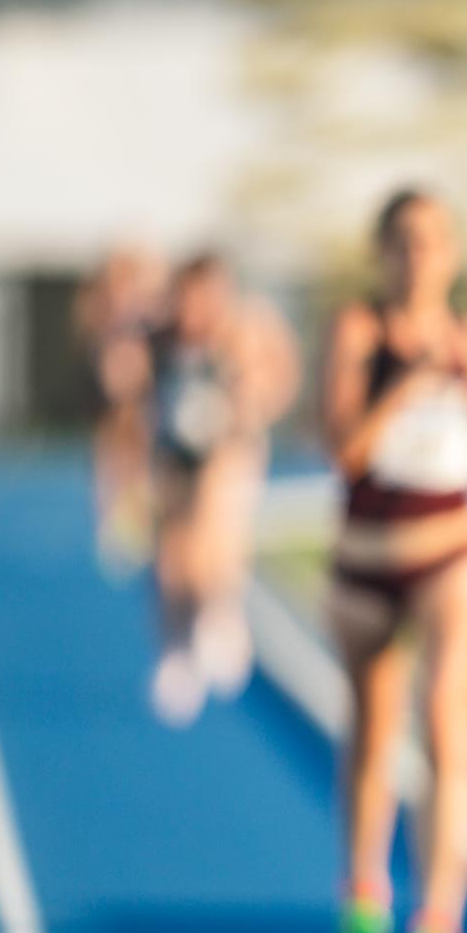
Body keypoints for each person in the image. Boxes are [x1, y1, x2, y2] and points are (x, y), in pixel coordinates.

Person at [325, 188, 467, 933]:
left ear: (452, 252)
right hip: (366, 562)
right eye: (404, 240)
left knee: (445, 720)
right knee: (374, 731)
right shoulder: (359, 330)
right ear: (382, 251)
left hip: (453, 558)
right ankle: (366, 893)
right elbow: (345, 449)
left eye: (434, 240)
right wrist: (405, 382)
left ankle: (440, 917)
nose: (420, 255)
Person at [143, 253, 300, 727]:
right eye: (187, 296)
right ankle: (176, 646)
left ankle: (221, 611)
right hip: (174, 452)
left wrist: (253, 396)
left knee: (215, 533)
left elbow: (281, 375)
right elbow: (134, 392)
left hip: (230, 449)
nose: (195, 308)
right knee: (172, 556)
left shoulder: (240, 333)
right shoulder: (162, 337)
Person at [75, 244, 167, 576]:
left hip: (141, 419)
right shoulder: (102, 323)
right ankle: (117, 513)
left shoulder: (150, 321)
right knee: (114, 451)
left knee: (138, 448)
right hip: (117, 420)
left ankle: (138, 509)